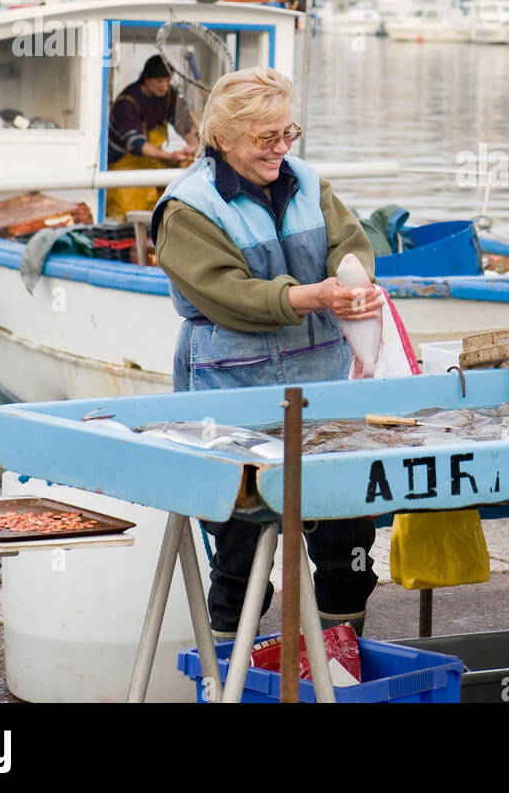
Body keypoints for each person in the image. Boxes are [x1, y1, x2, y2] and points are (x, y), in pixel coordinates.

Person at [151, 66, 386, 638]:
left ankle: (340, 664)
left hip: (322, 395)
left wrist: (353, 283)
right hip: (232, 398)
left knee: (347, 551)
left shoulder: (307, 180)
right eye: (265, 138)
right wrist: (315, 296)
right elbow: (229, 295)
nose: (281, 148)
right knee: (240, 560)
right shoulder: (187, 209)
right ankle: (232, 676)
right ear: (223, 139)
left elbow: (350, 244)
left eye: (288, 133)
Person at [105, 55, 199, 219]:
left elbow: (185, 125)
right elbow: (137, 144)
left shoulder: (169, 95)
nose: (164, 86)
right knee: (128, 215)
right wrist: (170, 156)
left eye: (167, 81)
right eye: (159, 81)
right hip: (124, 166)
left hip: (153, 162)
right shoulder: (126, 103)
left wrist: (194, 147)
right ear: (146, 79)